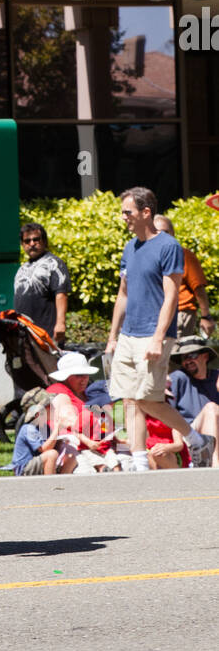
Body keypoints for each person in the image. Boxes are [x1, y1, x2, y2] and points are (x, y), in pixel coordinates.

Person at [106, 187, 205, 472]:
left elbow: (171, 295)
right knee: (129, 400)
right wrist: (113, 337)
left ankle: (196, 438)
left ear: (145, 212)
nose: (123, 217)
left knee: (148, 400)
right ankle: (139, 462)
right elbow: (122, 294)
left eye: (128, 212)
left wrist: (159, 338)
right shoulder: (129, 248)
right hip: (128, 335)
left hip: (152, 334)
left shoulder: (168, 246)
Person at [153, 215, 214, 338]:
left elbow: (198, 287)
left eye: (166, 232)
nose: (161, 236)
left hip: (181, 314)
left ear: (173, 234)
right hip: (154, 315)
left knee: (175, 354)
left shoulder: (184, 255)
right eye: (157, 232)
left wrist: (205, 316)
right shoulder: (149, 256)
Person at [165, 336, 219, 467]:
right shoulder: (178, 378)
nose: (187, 361)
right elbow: (168, 415)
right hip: (189, 433)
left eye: (192, 355)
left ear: (205, 356)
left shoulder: (216, 376)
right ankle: (214, 466)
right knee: (211, 408)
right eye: (184, 358)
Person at [13, 223, 71, 345]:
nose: (32, 244)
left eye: (36, 239)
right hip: (24, 335)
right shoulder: (22, 269)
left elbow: (61, 294)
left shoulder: (54, 264)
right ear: (23, 245)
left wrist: (61, 323)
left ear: (44, 241)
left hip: (46, 334)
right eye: (27, 241)